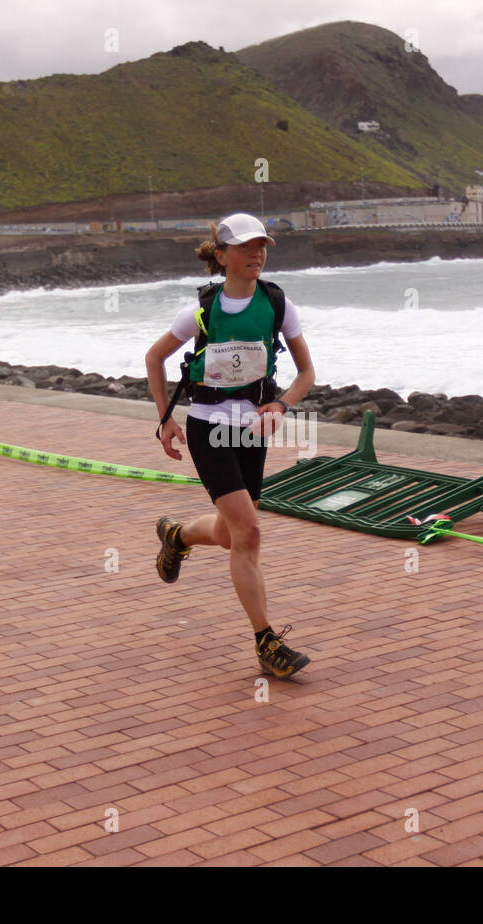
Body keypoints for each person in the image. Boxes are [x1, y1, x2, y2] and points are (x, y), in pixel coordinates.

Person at [145, 212, 316, 678]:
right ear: (221, 256)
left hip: (252, 432)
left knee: (228, 534)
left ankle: (177, 537)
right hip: (207, 427)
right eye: (245, 247)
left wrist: (280, 406)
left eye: (261, 246)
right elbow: (154, 358)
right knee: (250, 533)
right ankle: (267, 642)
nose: (257, 254)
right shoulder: (201, 310)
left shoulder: (278, 305)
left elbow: (306, 374)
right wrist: (166, 419)